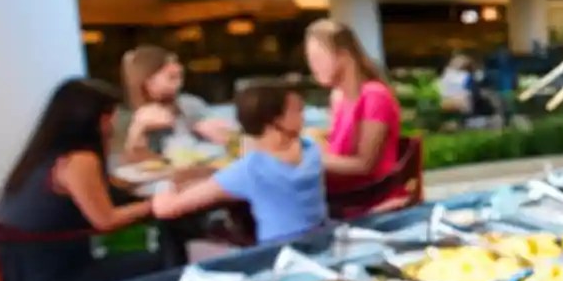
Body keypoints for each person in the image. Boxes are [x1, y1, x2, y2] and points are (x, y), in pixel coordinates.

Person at [0, 79, 160, 281]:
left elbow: (108, 188)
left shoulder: (42, 157)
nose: (113, 124)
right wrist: (156, 204)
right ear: (94, 118)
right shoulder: (79, 160)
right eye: (110, 115)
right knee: (155, 260)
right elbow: (105, 220)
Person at [152, 83, 327, 243]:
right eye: (299, 111)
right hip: (323, 239)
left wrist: (164, 180)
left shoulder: (251, 170)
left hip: (279, 251)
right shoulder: (311, 149)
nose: (304, 116)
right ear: (276, 120)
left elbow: (167, 208)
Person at [304, 19, 404, 203]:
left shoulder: (374, 95)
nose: (313, 67)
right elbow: (338, 153)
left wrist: (304, 158)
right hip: (342, 196)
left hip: (369, 199)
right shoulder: (338, 97)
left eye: (318, 58)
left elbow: (365, 164)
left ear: (343, 55)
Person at [117, 45, 234, 162]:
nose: (178, 84)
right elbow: (122, 171)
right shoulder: (124, 118)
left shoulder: (190, 105)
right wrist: (139, 129)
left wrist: (222, 135)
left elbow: (227, 143)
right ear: (148, 82)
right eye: (171, 78)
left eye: (180, 77)